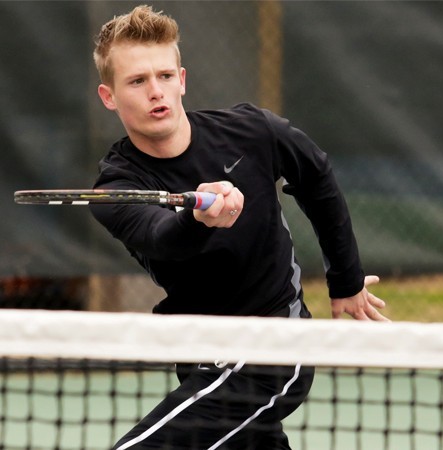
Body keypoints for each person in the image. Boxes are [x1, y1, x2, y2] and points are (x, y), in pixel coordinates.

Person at [89, 5, 389, 449]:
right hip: (201, 352)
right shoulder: (118, 185)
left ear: (182, 80)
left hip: (275, 344)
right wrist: (198, 218)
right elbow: (162, 240)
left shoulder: (253, 132)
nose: (157, 92)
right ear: (109, 96)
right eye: (137, 81)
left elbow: (317, 175)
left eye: (165, 76)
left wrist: (344, 279)